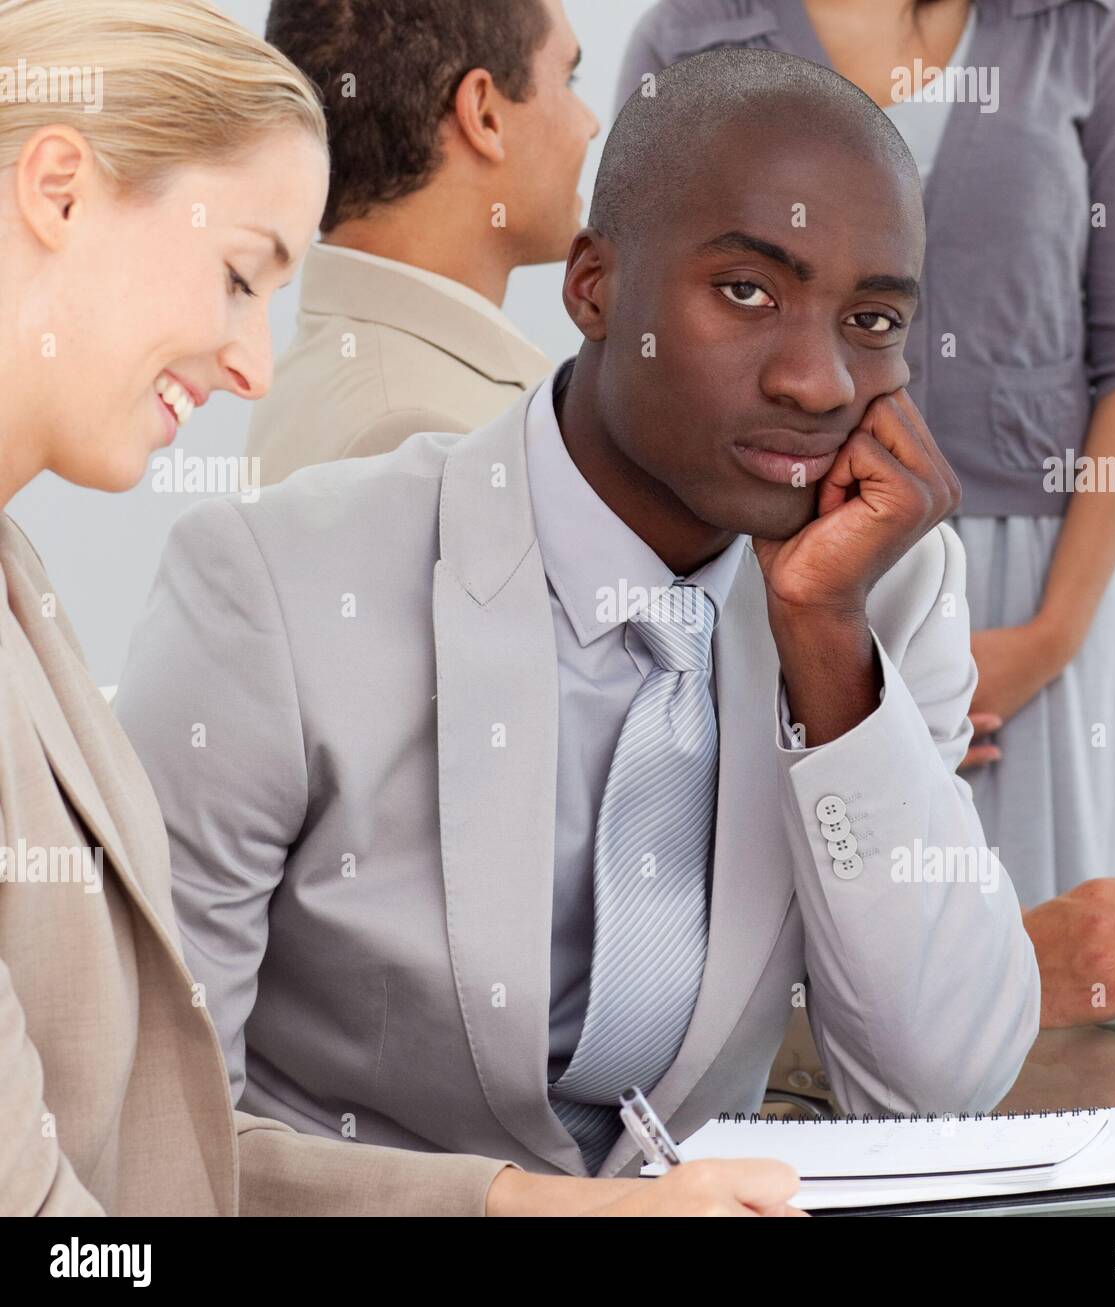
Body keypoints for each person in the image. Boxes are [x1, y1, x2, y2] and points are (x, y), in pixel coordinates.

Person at [115, 45, 1040, 1182]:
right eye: (747, 292)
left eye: (869, 321)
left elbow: (938, 1080)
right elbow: (146, 1128)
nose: (817, 382)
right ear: (594, 285)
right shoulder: (279, 582)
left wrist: (827, 651)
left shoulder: (886, 588)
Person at [0, 0, 799, 1218]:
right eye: (235, 275)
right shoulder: (380, 481)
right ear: (58, 189)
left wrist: (543, 1209)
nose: (254, 365)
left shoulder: (21, 588)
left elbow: (159, 1153)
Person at [618, 0, 1115, 910]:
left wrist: (1047, 642)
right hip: (774, 578)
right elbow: (647, 331)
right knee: (809, 967)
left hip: (1048, 600)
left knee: (1076, 990)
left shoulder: (1087, 24)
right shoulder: (692, 35)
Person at [245, 0, 597, 486]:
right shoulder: (418, 434)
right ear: (484, 114)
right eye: (568, 80)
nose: (590, 123)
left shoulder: (342, 373)